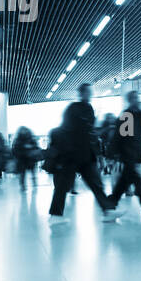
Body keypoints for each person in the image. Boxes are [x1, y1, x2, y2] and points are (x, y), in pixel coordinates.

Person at [47, 83, 119, 225]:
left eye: (90, 92)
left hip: (85, 154)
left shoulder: (89, 108)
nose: (90, 95)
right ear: (81, 93)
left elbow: (90, 132)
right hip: (71, 155)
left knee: (96, 184)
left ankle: (108, 210)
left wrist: (97, 152)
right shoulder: (73, 108)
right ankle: (55, 215)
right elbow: (68, 130)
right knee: (63, 185)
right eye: (87, 92)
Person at [108, 91, 141, 218]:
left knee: (124, 182)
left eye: (138, 97)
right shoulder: (128, 116)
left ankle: (111, 203)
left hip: (135, 153)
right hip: (129, 154)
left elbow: (139, 137)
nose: (137, 100)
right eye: (135, 98)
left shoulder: (137, 115)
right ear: (130, 100)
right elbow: (122, 136)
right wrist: (115, 154)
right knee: (136, 180)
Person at [11, 126, 42, 190]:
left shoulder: (28, 139)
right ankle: (24, 186)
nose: (24, 132)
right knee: (23, 174)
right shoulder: (19, 140)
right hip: (23, 159)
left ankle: (32, 184)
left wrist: (29, 147)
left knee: (29, 173)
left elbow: (36, 147)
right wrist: (26, 147)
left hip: (29, 159)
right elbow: (14, 150)